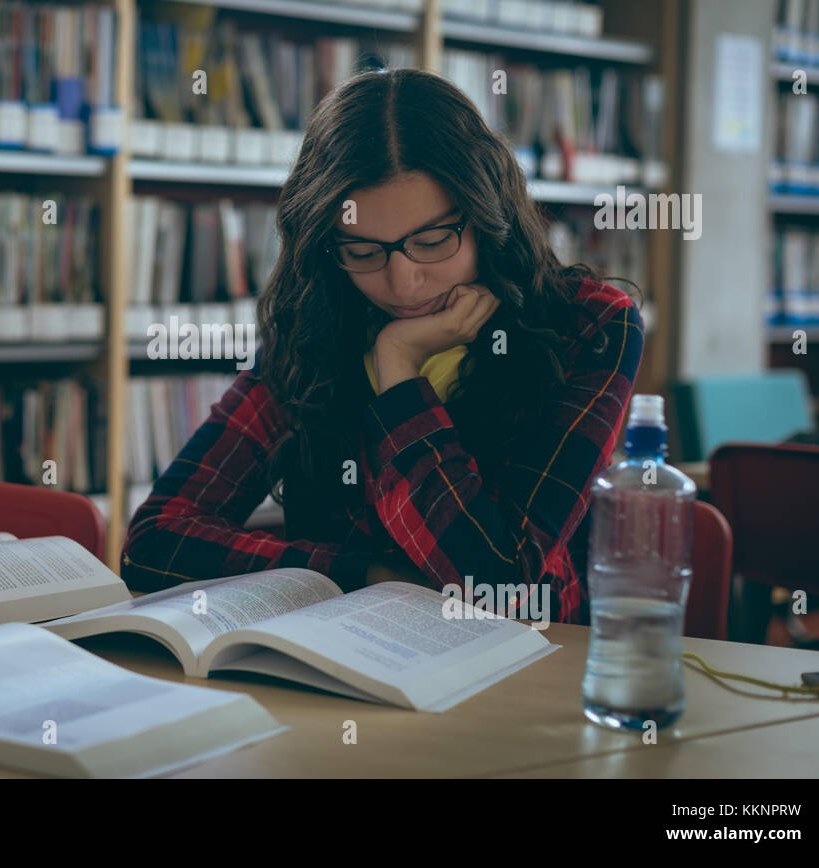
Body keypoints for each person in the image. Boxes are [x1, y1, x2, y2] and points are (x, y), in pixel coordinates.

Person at [120, 67, 644, 626]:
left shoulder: (590, 326)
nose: (402, 283)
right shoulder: (316, 331)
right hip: (344, 671)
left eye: (432, 240)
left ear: (490, 217)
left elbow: (497, 584)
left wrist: (398, 372)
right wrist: (364, 576)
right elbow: (153, 543)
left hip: (531, 671)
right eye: (364, 251)